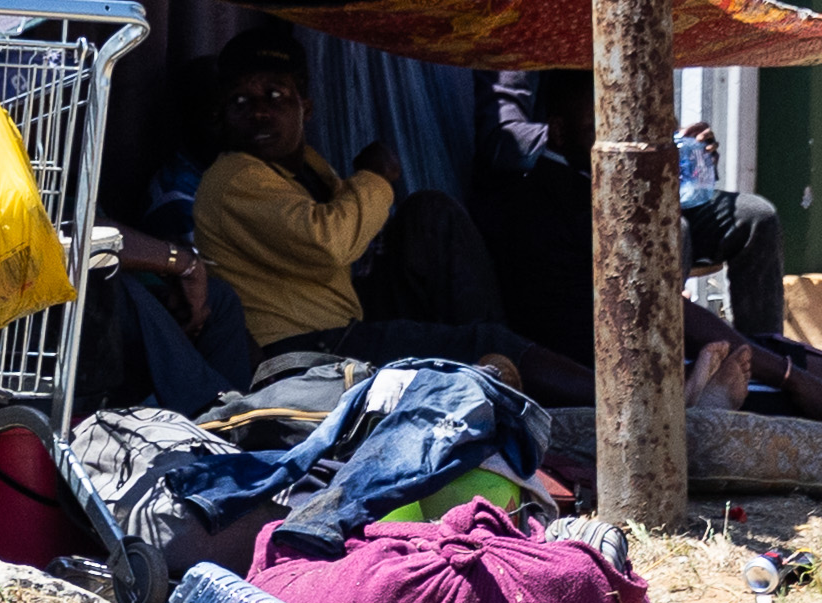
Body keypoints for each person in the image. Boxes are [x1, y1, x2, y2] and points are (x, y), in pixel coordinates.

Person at [188, 28, 594, 404]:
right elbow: (329, 243)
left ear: (305, 107)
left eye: (274, 96)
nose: (258, 112)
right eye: (241, 102)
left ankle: (497, 367)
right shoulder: (233, 176)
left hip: (344, 326)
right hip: (305, 351)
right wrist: (376, 177)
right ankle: (609, 400)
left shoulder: (304, 166)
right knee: (487, 342)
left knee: (430, 215)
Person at [476, 69, 822, 412]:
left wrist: (677, 151)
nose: (625, 142)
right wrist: (789, 376)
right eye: (603, 129)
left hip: (652, 324)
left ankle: (759, 351)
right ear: (561, 132)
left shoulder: (597, 188)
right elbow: (673, 313)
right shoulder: (571, 204)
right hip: (627, 365)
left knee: (754, 217)